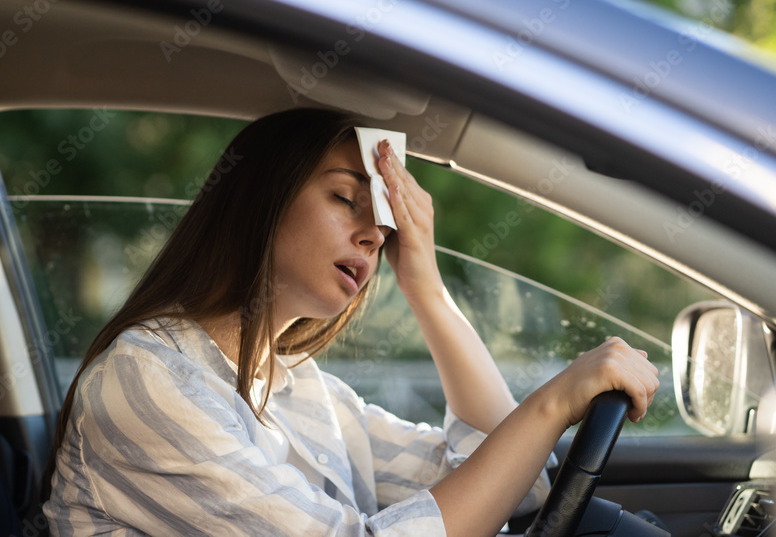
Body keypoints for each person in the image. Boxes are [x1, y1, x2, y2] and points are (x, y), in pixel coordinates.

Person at [42, 108, 659, 536]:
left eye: (385, 224)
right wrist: (552, 404)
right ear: (261, 199)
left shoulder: (296, 386)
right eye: (344, 198)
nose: (373, 235)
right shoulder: (145, 381)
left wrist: (428, 288)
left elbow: (509, 485)